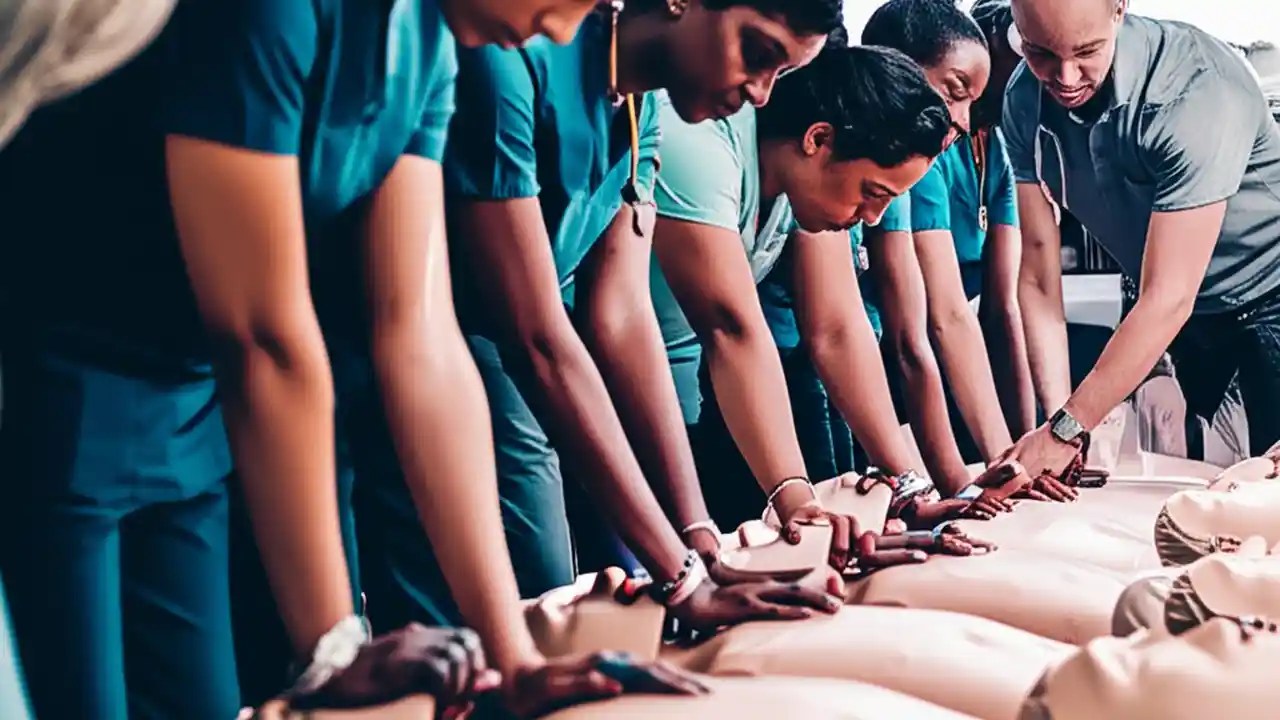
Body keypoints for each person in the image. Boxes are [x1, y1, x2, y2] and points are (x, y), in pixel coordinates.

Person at [0, 0, 709, 717]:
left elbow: (423, 341)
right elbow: (264, 335)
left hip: (194, 429)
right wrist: (332, 647)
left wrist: (515, 657)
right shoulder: (272, 14)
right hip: (56, 413)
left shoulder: (429, 52)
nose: (563, 30)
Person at [361, 0, 848, 663]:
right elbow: (533, 334)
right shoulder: (514, 56)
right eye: (757, 55)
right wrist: (678, 575)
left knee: (544, 594)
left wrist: (696, 535)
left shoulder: (642, 108)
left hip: (505, 357)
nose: (758, 95)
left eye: (780, 74)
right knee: (485, 619)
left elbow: (620, 315)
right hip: (424, 361)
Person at [649, 36, 1005, 545]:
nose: (874, 217)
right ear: (818, 139)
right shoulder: (702, 142)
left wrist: (907, 488)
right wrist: (794, 498)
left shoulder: (804, 185)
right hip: (580, 383)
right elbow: (732, 331)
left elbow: (837, 328)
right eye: (872, 193)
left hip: (674, 400)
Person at [1000, 0, 1280, 484]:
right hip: (1159, 300)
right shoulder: (1024, 99)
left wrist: (1066, 429)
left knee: (1264, 497)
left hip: (1266, 290)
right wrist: (1060, 422)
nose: (1064, 77)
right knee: (1178, 486)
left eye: (1086, 51)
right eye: (1039, 51)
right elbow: (1038, 273)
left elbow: (1170, 297)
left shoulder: (1197, 89)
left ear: (1120, 8)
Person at [856, 0, 1047, 503]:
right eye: (955, 91)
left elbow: (999, 307)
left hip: (913, 357)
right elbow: (922, 328)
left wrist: (1016, 452)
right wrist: (955, 490)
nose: (961, 119)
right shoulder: (914, 158)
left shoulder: (995, 152)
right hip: (866, 362)